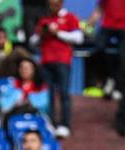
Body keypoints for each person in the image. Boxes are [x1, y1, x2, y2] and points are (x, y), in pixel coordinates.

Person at [35, 0, 82, 137]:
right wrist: (43, 34)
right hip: (46, 61)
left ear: (61, 3)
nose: (52, 6)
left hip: (62, 61)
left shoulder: (70, 17)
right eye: (50, 3)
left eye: (55, 3)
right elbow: (33, 40)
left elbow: (78, 38)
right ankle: (50, 123)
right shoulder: (44, 20)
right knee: (47, 95)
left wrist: (57, 33)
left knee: (63, 93)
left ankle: (64, 124)